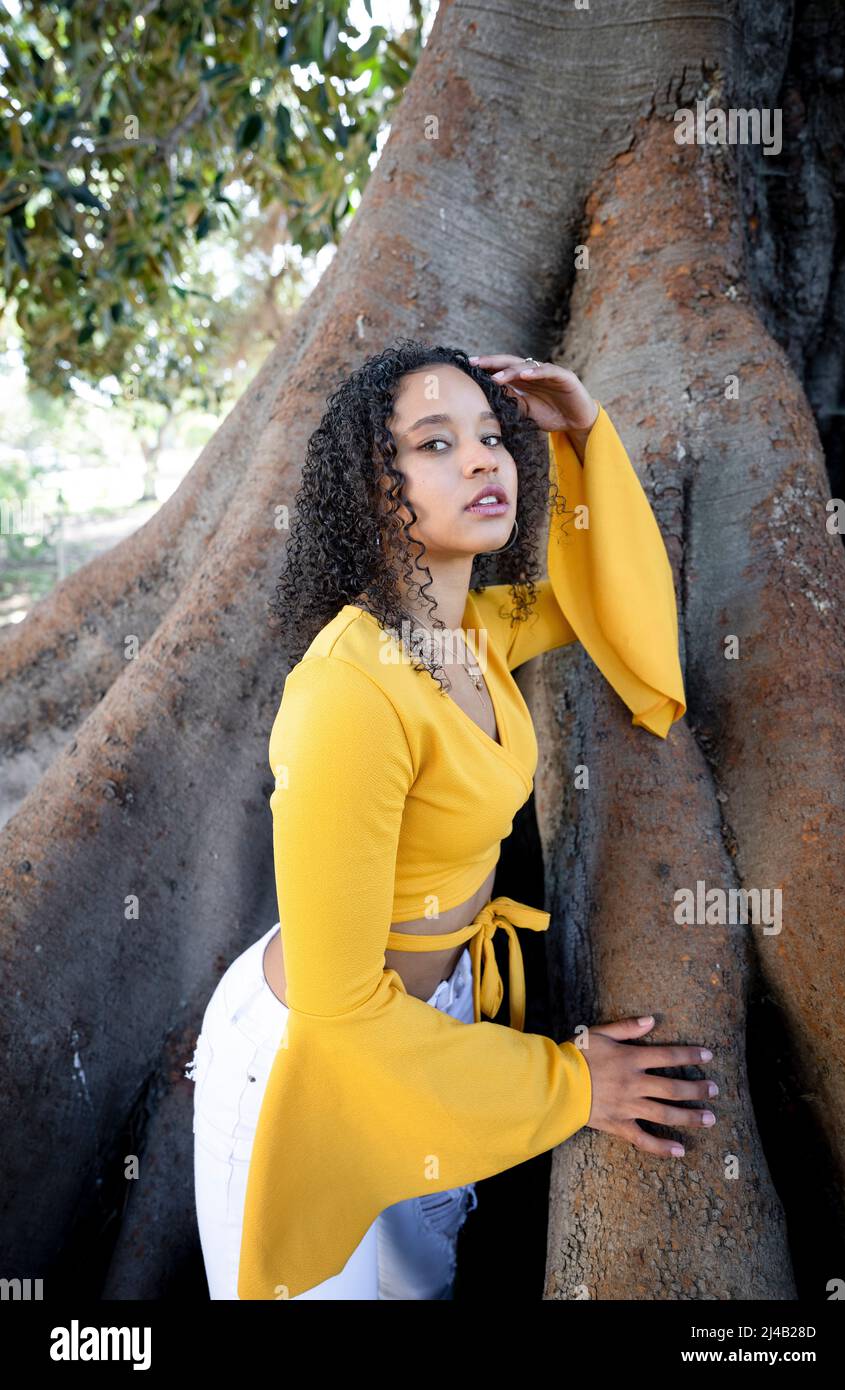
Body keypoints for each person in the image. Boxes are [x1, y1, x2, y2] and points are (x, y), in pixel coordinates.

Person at [189, 340, 716, 1301]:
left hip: (429, 1027)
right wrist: (574, 1084)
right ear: (371, 489)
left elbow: (597, 591)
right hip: (317, 1062)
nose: (483, 460)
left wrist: (583, 432)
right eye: (435, 443)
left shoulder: (474, 628)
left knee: (421, 1286)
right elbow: (341, 1013)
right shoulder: (345, 693)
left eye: (490, 435)